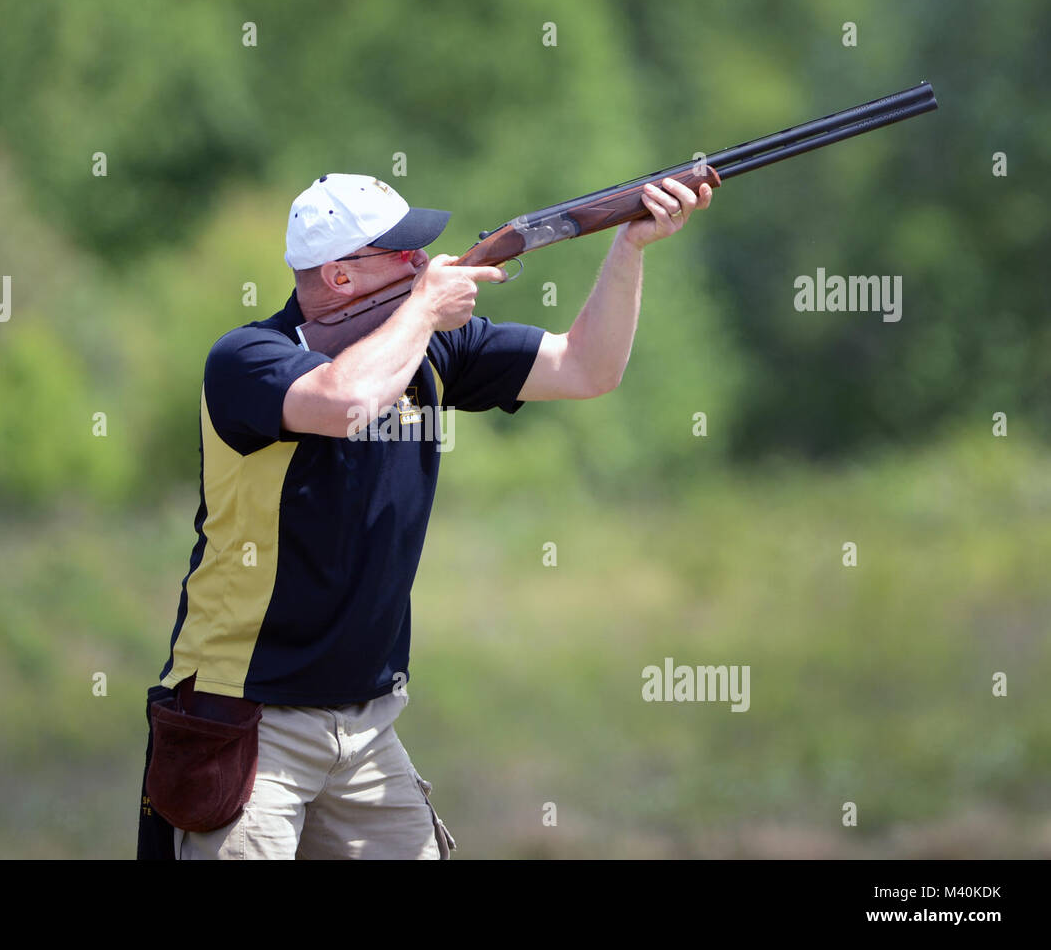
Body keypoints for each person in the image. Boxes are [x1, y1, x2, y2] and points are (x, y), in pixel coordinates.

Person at [139, 171, 710, 860]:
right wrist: (424, 310)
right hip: (247, 719)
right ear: (341, 277)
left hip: (370, 722)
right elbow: (344, 400)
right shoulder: (250, 358)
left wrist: (630, 247)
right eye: (402, 253)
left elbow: (589, 367)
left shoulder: (433, 350)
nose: (422, 262)